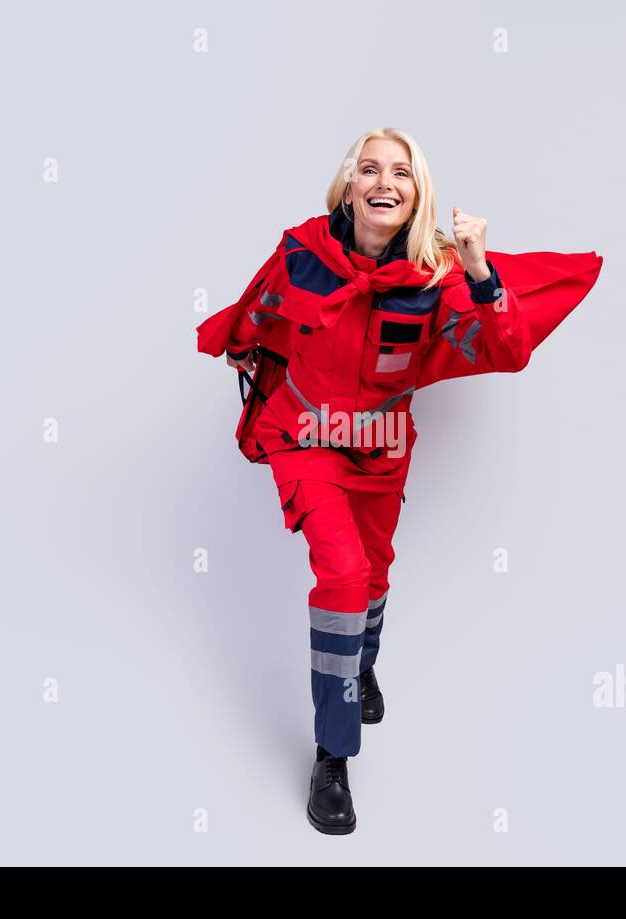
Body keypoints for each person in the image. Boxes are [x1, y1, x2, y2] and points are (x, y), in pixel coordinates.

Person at [196, 127, 603, 835]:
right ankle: (334, 748)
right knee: (345, 576)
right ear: (348, 186)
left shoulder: (437, 278)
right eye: (370, 169)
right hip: (307, 439)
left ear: (417, 196)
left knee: (377, 572)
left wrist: (478, 266)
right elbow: (259, 308)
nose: (385, 182)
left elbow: (507, 351)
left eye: (402, 173)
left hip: (381, 449)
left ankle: (365, 659)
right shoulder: (301, 253)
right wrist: (242, 347)